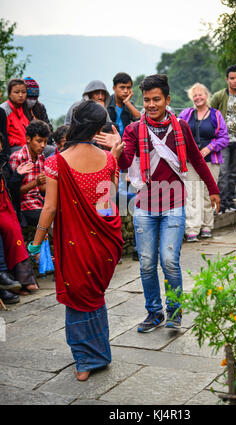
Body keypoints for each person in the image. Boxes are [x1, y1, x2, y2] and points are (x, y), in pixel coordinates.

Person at [97, 74, 220, 333]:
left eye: (156, 99)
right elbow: (125, 163)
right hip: (144, 206)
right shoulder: (133, 131)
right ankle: (154, 312)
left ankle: (174, 310)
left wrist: (213, 189)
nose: (151, 105)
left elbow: (197, 160)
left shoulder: (181, 128)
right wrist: (116, 149)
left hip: (174, 203)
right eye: (147, 100)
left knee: (169, 261)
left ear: (167, 100)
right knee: (146, 262)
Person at [28, 100, 124, 381]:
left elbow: (50, 208)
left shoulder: (55, 162)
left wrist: (35, 244)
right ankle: (100, 354)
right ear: (97, 129)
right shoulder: (108, 160)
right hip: (104, 243)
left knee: (78, 297)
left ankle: (84, 361)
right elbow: (108, 203)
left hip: (75, 243)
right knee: (94, 295)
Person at [179, 83, 229, 240]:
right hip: (190, 162)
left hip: (211, 161)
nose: (198, 97)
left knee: (209, 194)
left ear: (207, 96)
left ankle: (207, 226)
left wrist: (210, 147)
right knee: (192, 194)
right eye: (194, 95)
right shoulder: (186, 114)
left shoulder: (216, 114)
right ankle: (192, 229)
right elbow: (178, 132)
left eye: (200, 94)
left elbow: (224, 138)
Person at [0, 132, 39, 300]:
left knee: (13, 228)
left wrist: (17, 174)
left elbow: (11, 188)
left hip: (6, 205)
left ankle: (17, 280)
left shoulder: (3, 162)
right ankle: (5, 277)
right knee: (8, 229)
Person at [210, 64, 236, 213]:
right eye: (232, 78)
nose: (235, 81)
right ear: (227, 79)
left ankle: (229, 202)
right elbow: (210, 113)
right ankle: (220, 204)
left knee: (234, 173)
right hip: (223, 141)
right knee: (223, 172)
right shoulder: (219, 96)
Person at [10, 120, 50, 227]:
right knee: (47, 218)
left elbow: (41, 188)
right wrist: (36, 182)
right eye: (39, 141)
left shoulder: (41, 157)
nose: (43, 145)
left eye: (45, 142)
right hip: (23, 206)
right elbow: (13, 193)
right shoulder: (17, 158)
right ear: (28, 139)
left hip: (38, 201)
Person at [23, 77, 55, 157]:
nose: (32, 100)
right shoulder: (20, 109)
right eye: (29, 97)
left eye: (35, 97)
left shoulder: (40, 107)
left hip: (44, 142)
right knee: (52, 150)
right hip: (29, 143)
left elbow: (49, 127)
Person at [107, 72, 141, 138]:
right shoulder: (107, 103)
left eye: (128, 88)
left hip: (125, 143)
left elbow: (140, 120)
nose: (126, 91)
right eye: (122, 88)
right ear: (114, 88)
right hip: (108, 143)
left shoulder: (129, 104)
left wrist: (127, 103)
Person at [0, 78, 29, 153]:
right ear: (9, 94)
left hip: (26, 145)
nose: (20, 95)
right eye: (16, 92)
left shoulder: (23, 108)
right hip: (12, 148)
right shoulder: (4, 110)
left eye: (23, 92)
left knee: (51, 149)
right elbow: (3, 136)